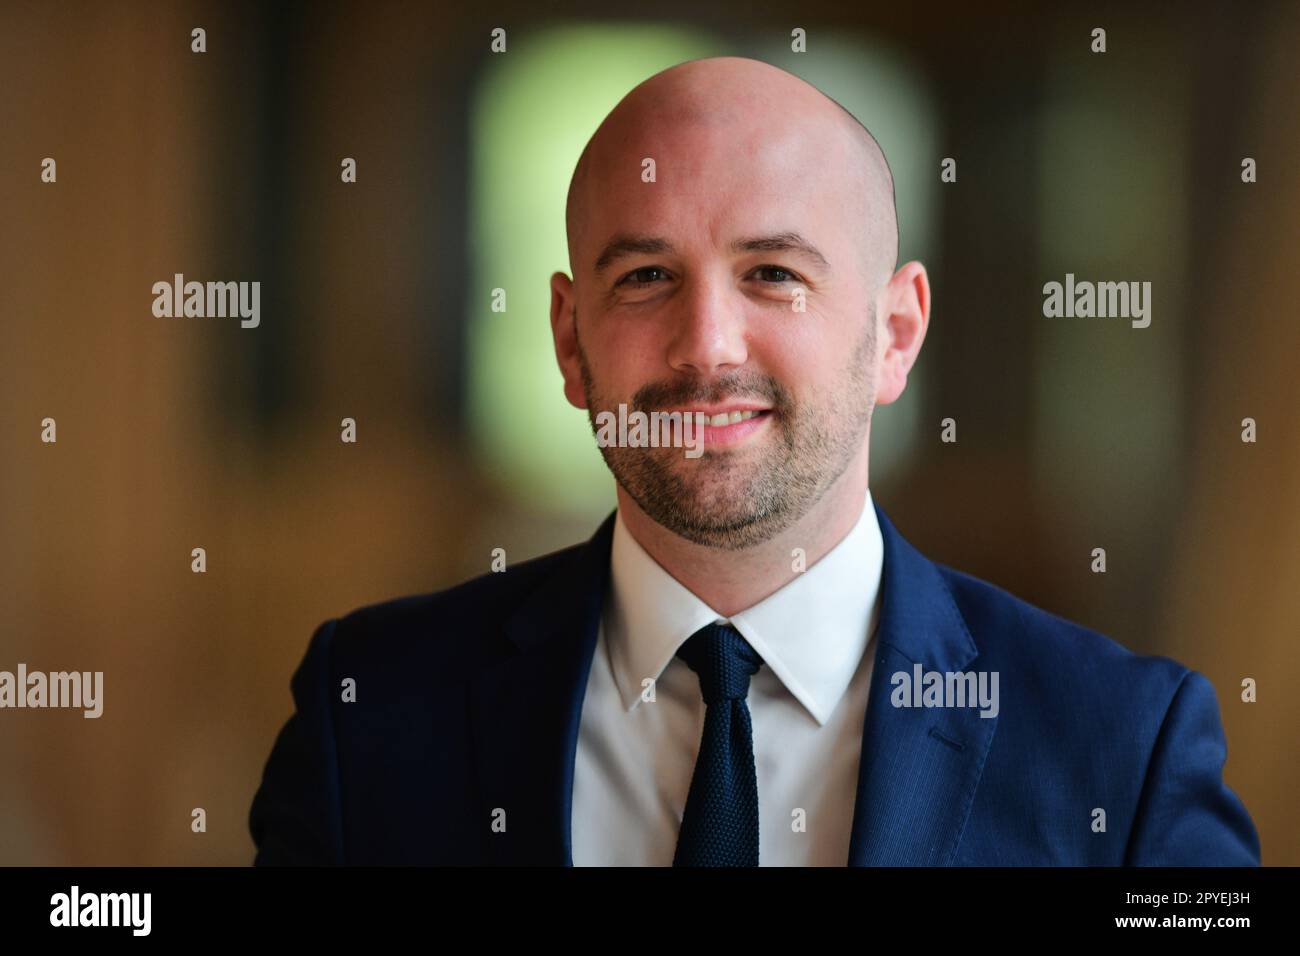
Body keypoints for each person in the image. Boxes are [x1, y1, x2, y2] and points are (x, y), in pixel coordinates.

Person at [248, 56, 1260, 866]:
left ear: (896, 332)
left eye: (773, 274)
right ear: (569, 338)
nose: (708, 345)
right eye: (646, 276)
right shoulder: (369, 710)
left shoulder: (1121, 746)